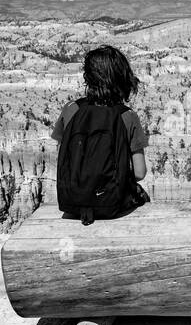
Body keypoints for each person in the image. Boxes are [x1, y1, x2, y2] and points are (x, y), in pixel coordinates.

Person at [51, 45, 150, 225]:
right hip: (112, 204)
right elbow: (140, 172)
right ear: (121, 77)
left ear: (87, 77)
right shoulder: (127, 116)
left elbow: (64, 159)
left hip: (72, 203)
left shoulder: (71, 110)